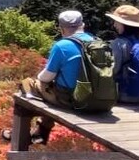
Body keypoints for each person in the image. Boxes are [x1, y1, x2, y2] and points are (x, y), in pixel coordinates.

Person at [13, 10, 93, 144]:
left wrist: (39, 76)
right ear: (82, 25)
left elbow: (46, 78)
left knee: (27, 83)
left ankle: (23, 134)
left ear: (62, 29)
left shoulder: (62, 46)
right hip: (94, 97)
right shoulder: (96, 42)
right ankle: (41, 131)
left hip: (70, 99)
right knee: (51, 91)